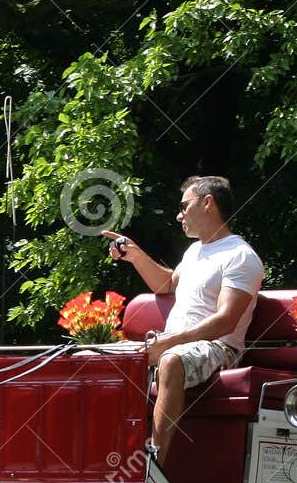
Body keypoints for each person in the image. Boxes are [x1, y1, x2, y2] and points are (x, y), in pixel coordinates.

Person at [103, 175, 264, 458]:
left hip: (220, 348)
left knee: (171, 360)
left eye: (183, 206)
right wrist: (135, 254)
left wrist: (167, 344)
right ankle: (104, 454)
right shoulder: (194, 252)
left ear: (207, 203)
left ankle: (154, 464)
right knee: (100, 358)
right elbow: (166, 285)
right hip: (176, 343)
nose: (179, 215)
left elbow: (225, 321)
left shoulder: (240, 256)